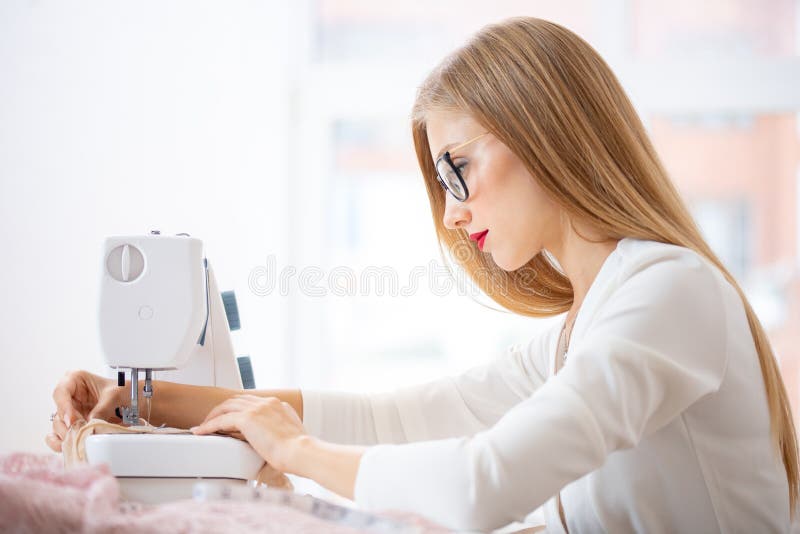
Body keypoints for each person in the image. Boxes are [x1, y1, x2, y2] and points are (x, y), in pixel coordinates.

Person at [48, 17, 798, 533]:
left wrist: (296, 453)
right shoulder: (590, 324)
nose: (449, 214)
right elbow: (399, 419)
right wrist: (148, 401)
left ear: (546, 131)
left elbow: (482, 486)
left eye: (457, 169)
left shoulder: (669, 293)